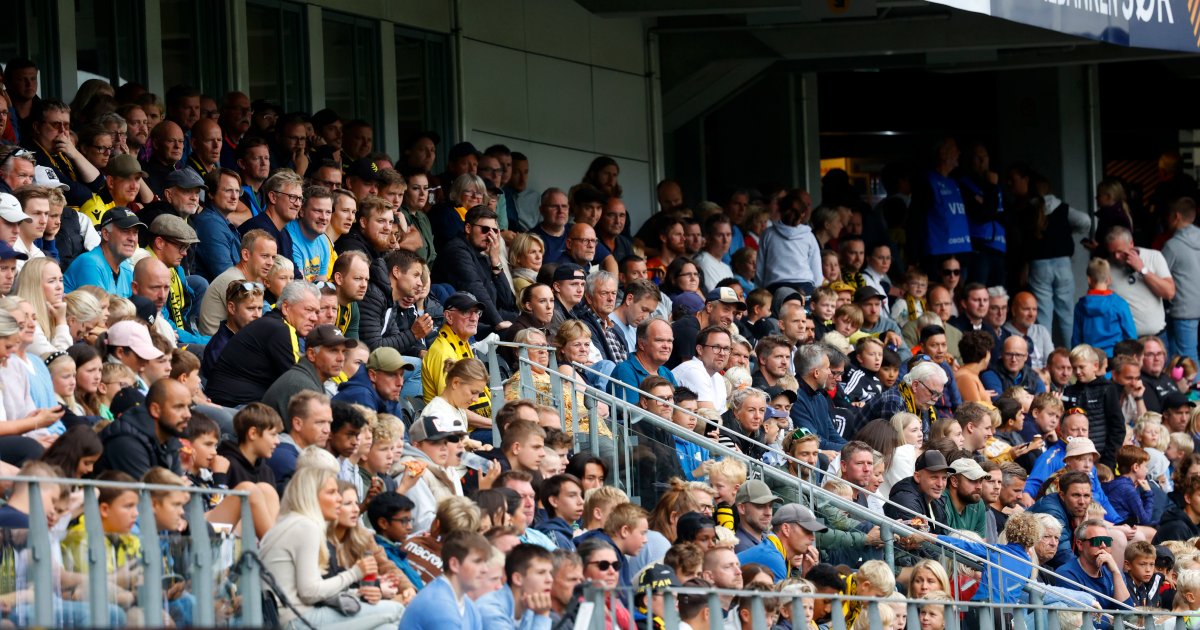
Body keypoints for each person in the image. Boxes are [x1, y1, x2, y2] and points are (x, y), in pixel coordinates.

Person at [258, 465, 405, 630]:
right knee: (398, 610)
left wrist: (357, 593)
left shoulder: (295, 522)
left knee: (387, 628)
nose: (338, 499)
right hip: (296, 621)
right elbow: (310, 593)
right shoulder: (306, 526)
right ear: (311, 496)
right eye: (331, 493)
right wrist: (355, 573)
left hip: (296, 617)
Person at [205, 280, 321, 407]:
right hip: (235, 409)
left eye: (316, 312)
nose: (314, 318)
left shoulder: (273, 324)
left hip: (239, 404)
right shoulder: (281, 330)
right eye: (309, 310)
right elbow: (300, 383)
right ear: (286, 308)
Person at [95, 378, 191, 478]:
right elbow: (145, 492)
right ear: (155, 410)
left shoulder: (169, 435)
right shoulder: (126, 441)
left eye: (188, 407)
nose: (187, 415)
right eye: (178, 407)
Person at [63, 206, 141, 295]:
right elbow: (98, 308)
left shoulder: (126, 268)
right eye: (125, 231)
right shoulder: (90, 263)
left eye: (135, 233)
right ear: (106, 234)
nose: (132, 238)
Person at [737, 503, 826, 581]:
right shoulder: (772, 558)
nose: (813, 538)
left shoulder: (774, 551)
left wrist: (807, 575)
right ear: (786, 529)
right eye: (807, 531)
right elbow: (781, 600)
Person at [1056, 519, 1133, 608]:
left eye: (1107, 541)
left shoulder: (1112, 572)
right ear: (1080, 545)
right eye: (1097, 541)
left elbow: (1127, 613)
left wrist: (1116, 572)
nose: (1103, 546)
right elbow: (1081, 618)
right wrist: (1112, 619)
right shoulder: (1066, 574)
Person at [476, 543, 555, 630]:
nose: (550, 579)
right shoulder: (489, 609)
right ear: (518, 579)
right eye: (541, 573)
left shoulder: (532, 607)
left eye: (550, 573)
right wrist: (542, 616)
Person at [266, 390, 332, 492]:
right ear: (297, 424)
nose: (327, 430)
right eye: (320, 422)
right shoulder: (285, 459)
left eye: (329, 423)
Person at [1072, 258, 1135, 357]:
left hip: (1090, 361)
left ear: (1089, 280)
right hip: (1115, 360)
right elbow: (1131, 336)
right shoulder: (1119, 304)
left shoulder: (1080, 307)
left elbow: (1076, 341)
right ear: (1109, 279)